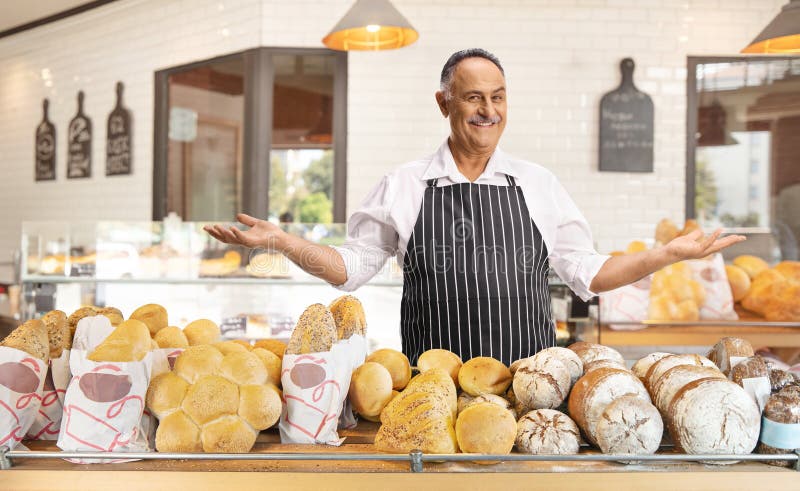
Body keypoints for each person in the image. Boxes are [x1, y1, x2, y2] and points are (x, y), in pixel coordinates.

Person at [205, 48, 745, 366]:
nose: (488, 110)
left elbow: (592, 274)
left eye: (498, 96)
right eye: (474, 98)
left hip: (530, 393)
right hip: (431, 394)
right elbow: (348, 271)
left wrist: (665, 254)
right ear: (444, 103)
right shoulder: (405, 185)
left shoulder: (538, 183)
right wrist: (281, 241)